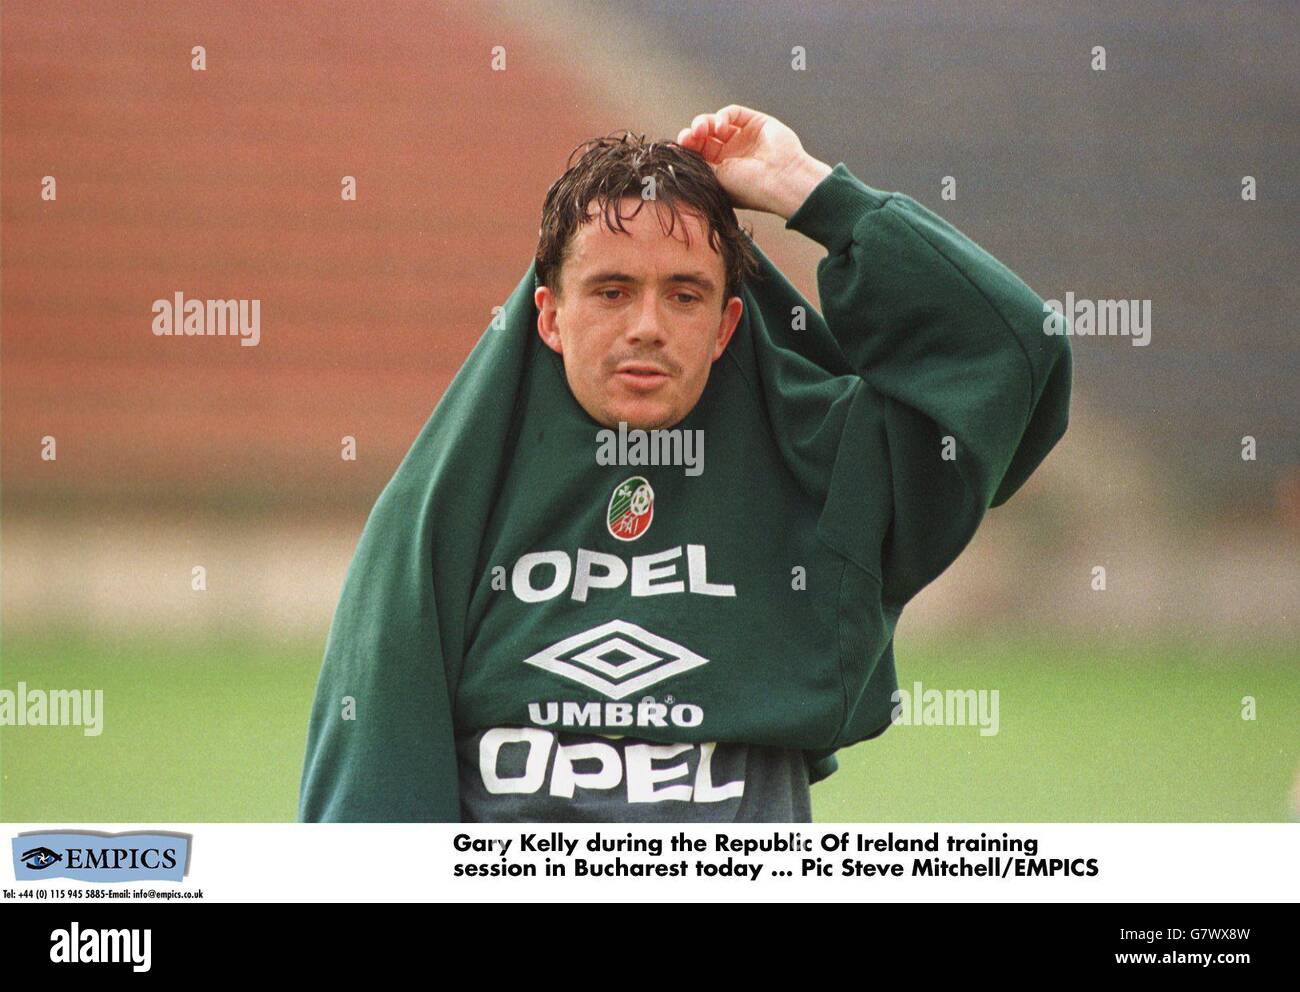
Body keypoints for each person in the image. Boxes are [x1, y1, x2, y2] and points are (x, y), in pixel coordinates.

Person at [298, 105, 1072, 822]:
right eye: (610, 290)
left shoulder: (824, 476)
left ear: (729, 323)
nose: (647, 328)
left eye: (685, 295)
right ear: (550, 315)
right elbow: (369, 808)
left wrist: (810, 192)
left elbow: (1008, 351)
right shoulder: (441, 514)